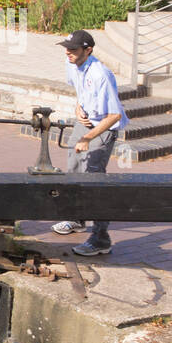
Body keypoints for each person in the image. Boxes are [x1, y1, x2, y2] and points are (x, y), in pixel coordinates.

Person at [51, 30, 130, 256]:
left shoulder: (101, 74)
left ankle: (101, 240)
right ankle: (77, 218)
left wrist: (88, 137)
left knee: (94, 181)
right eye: (67, 48)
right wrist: (78, 107)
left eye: (74, 49)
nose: (68, 52)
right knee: (74, 169)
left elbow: (114, 115)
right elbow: (80, 90)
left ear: (88, 50)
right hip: (84, 122)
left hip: (102, 128)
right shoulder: (73, 63)